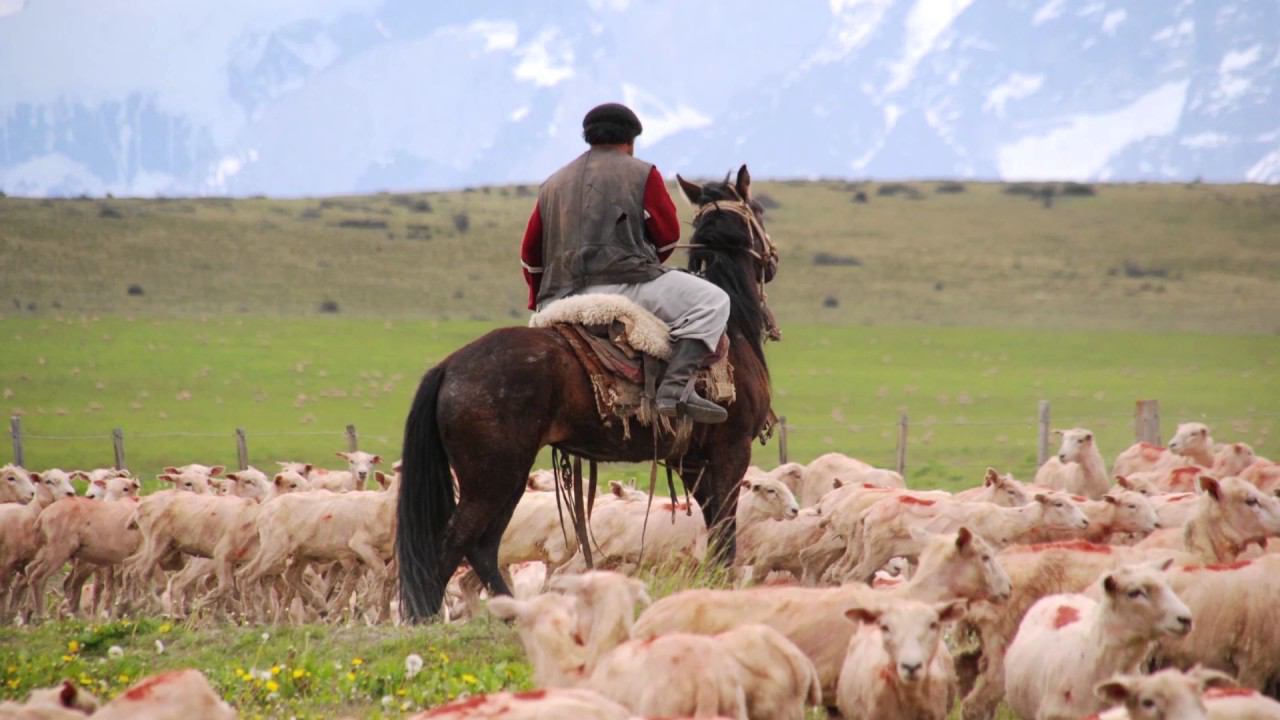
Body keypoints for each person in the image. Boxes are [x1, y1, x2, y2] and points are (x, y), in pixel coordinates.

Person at [520, 102, 731, 424]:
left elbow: (530, 254)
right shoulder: (642, 173)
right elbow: (668, 237)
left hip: (561, 293)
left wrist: (541, 301)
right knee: (714, 300)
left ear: (587, 138)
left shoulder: (552, 183)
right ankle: (675, 390)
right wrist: (647, 266)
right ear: (632, 140)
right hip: (627, 283)